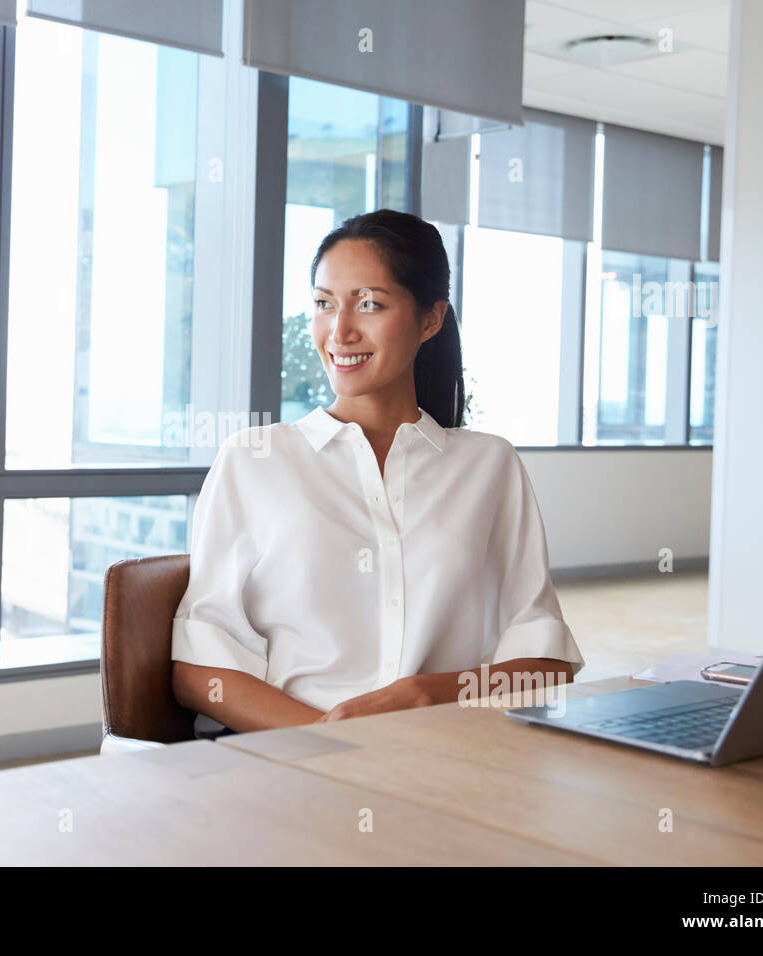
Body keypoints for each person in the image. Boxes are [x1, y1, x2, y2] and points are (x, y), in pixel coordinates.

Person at [171, 208, 585, 738]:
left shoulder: (490, 466)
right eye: (323, 304)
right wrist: (335, 742)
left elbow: (543, 664)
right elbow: (200, 670)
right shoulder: (253, 460)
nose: (339, 331)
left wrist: (427, 693)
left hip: (450, 756)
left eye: (369, 304)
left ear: (431, 320)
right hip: (296, 760)